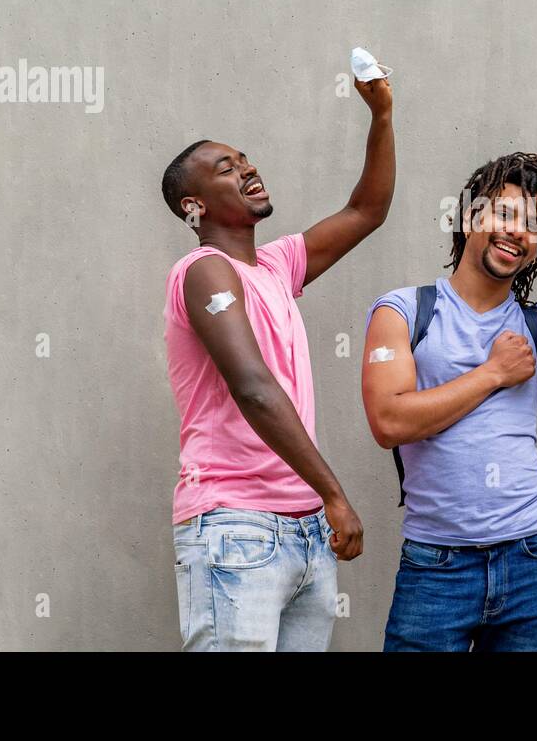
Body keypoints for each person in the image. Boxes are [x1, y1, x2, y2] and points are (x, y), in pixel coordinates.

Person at [160, 71, 395, 650]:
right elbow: (253, 386)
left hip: (304, 530)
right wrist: (335, 494)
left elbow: (367, 210)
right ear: (195, 205)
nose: (247, 169)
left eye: (245, 159)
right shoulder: (203, 271)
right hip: (235, 525)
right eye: (227, 168)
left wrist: (382, 116)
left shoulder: (276, 267)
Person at [361, 151, 537, 651]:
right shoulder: (404, 311)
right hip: (436, 563)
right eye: (503, 214)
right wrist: (492, 374)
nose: (517, 232)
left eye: (533, 225)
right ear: (468, 216)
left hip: (530, 555)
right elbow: (388, 421)